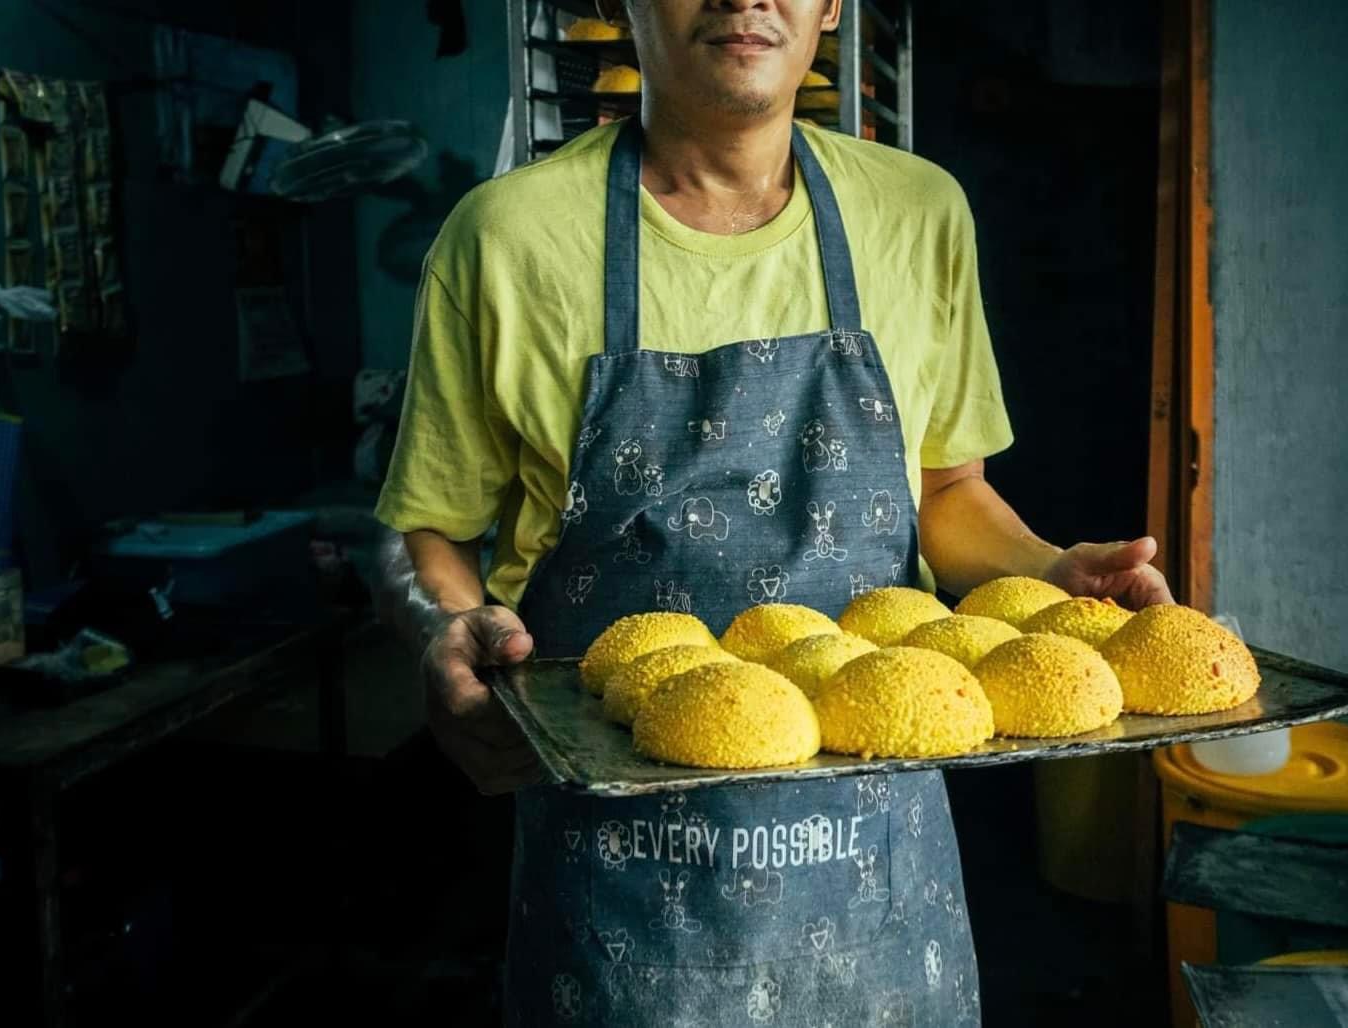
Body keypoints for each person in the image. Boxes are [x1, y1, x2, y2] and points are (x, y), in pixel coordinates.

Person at [375, 0, 1174, 1022]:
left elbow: (944, 488)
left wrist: (1051, 571)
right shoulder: (506, 237)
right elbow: (427, 526)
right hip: (625, 879)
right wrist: (443, 627)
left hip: (874, 852)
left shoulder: (918, 213)